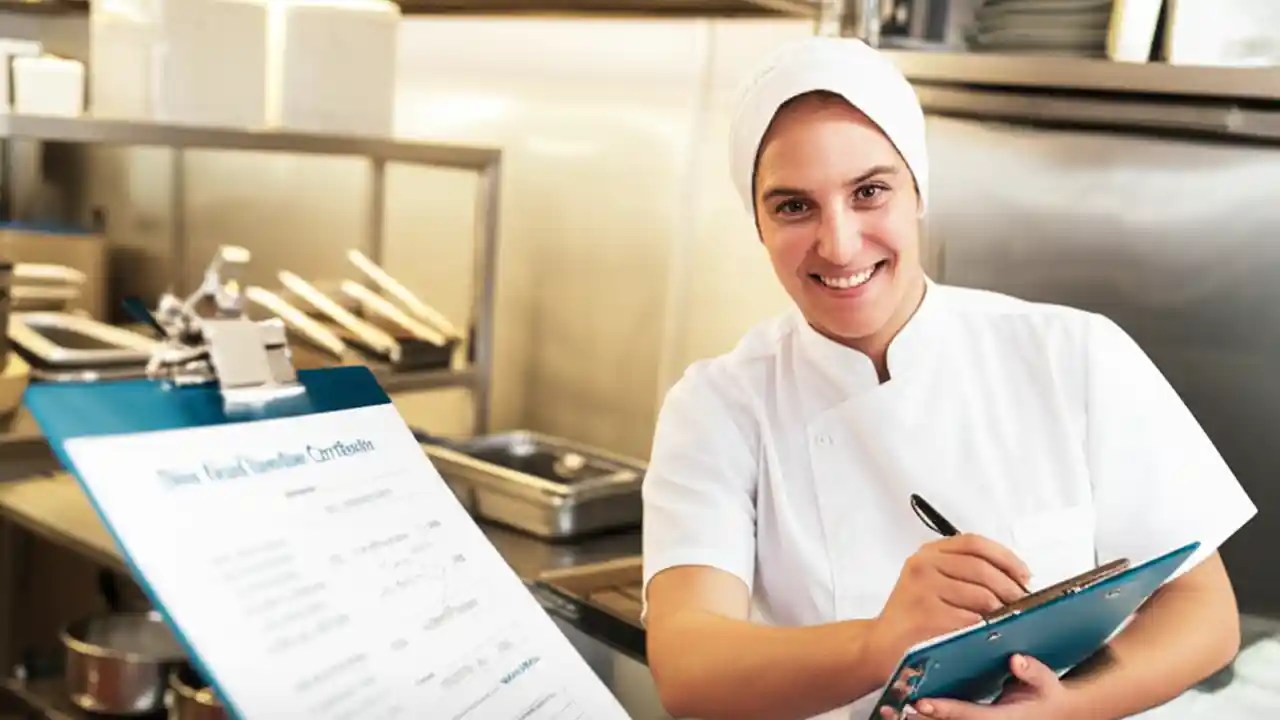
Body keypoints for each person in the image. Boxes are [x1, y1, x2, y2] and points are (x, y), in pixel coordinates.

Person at [640, 36, 1257, 720]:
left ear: (918, 192)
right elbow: (688, 666)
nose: (839, 244)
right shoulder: (720, 405)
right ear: (757, 223)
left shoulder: (1071, 353)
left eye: (869, 191)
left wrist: (1058, 709)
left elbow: (1202, 611)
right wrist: (881, 646)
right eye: (793, 207)